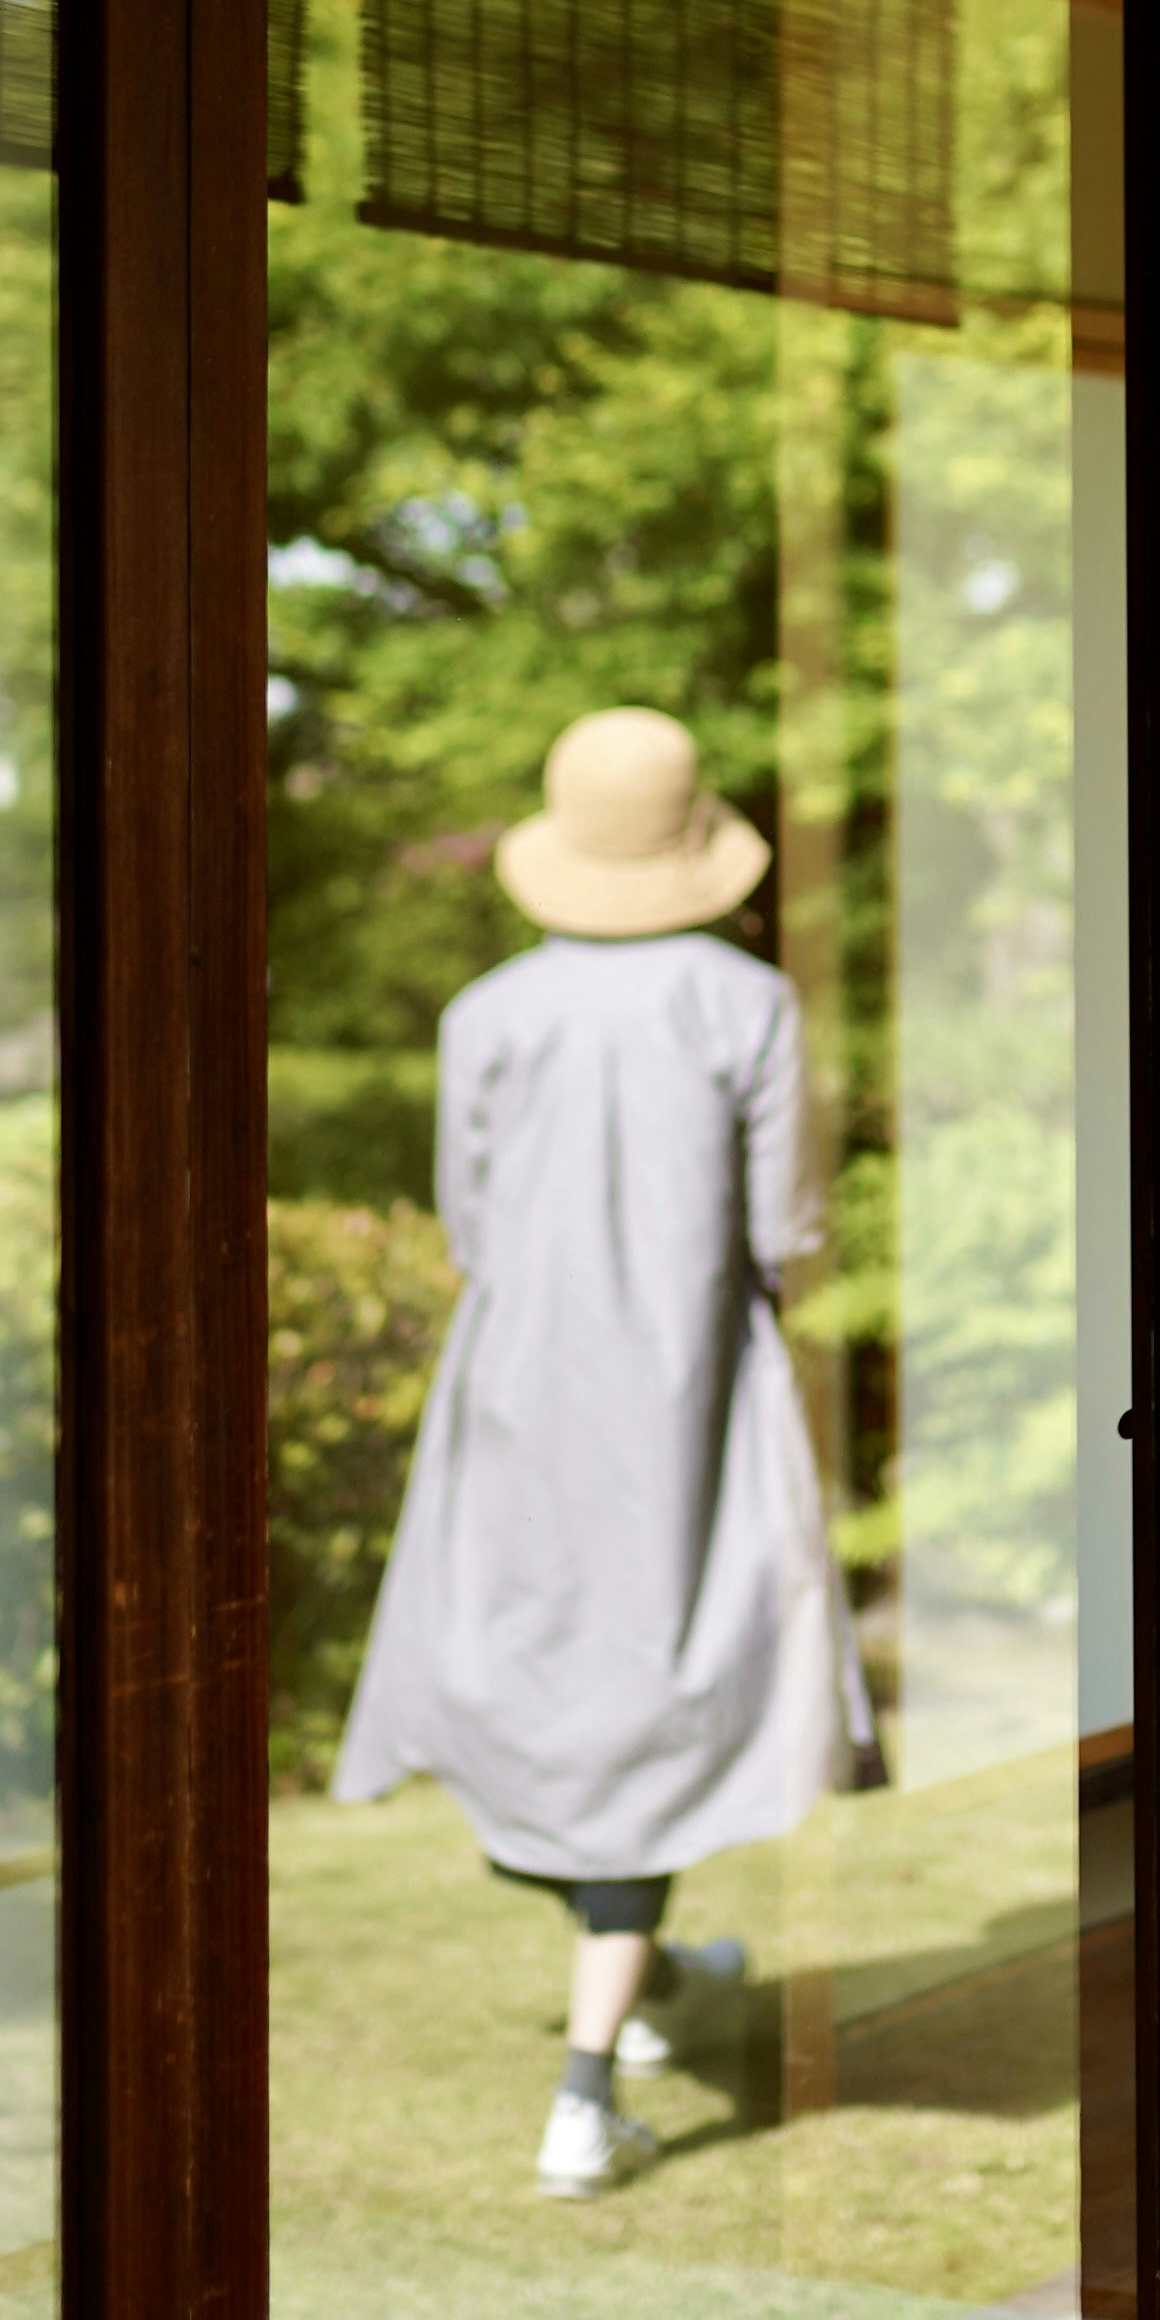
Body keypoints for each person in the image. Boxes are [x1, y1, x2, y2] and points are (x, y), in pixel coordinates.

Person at [333, 704, 868, 2191]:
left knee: (541, 1661)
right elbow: (785, 1228)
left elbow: (472, 1219)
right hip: (685, 1384)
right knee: (670, 1665)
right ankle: (586, 2093)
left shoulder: (488, 1015)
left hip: (519, 1378)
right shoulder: (744, 1004)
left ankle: (647, 1980)